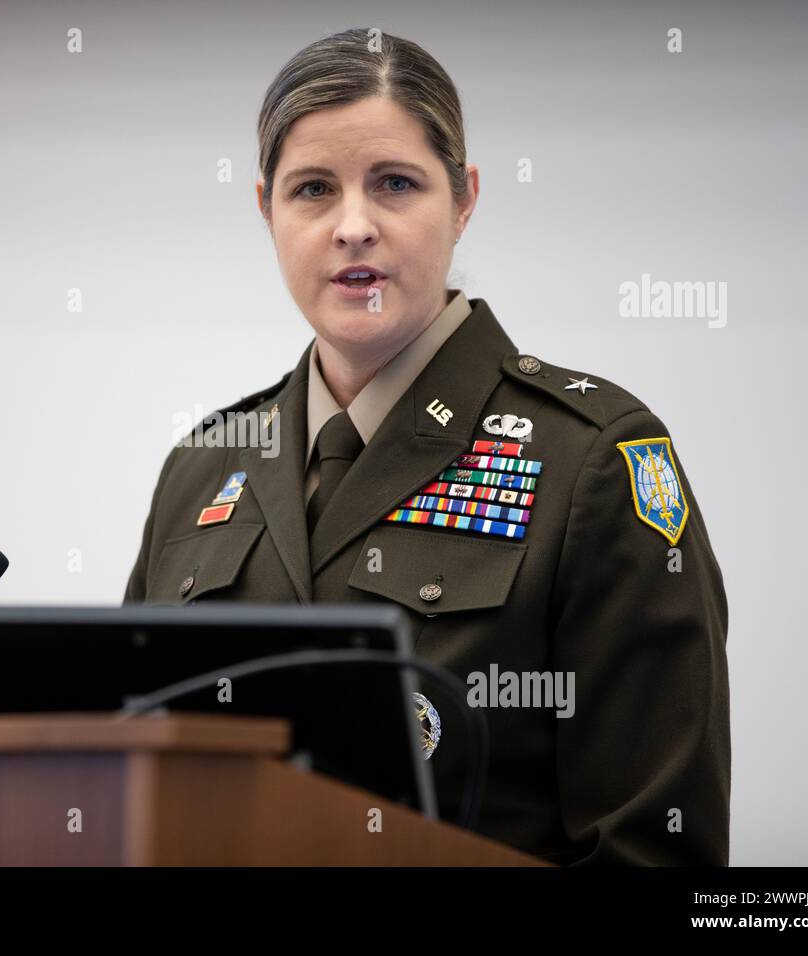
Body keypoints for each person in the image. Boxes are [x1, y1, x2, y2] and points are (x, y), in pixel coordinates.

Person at [124, 28, 730, 866]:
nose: (353, 227)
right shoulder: (202, 465)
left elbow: (655, 847)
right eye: (312, 190)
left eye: (395, 184)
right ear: (265, 209)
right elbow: (128, 782)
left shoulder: (594, 459)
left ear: (465, 198)